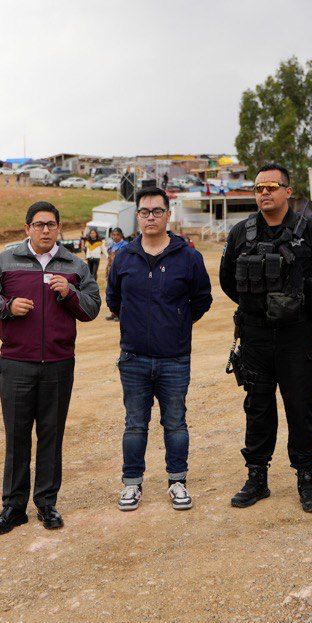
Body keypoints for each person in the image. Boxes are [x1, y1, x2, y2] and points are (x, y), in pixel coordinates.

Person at [0, 201, 101, 535]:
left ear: (59, 228)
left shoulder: (74, 265)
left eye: (51, 224)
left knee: (51, 435)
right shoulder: (5, 260)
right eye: (39, 224)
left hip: (59, 365)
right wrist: (6, 306)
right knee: (17, 437)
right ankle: (13, 507)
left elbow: (91, 309)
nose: (45, 230)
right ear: (27, 228)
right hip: (17, 364)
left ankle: (46, 503)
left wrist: (70, 292)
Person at [220, 164, 312, 512]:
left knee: (300, 407)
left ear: (289, 191)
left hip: (297, 334)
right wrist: (261, 307)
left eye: (272, 186)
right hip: (256, 334)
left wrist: (293, 307)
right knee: (257, 406)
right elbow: (229, 281)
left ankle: (307, 478)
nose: (264, 193)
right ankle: (257, 477)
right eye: (258, 188)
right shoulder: (241, 232)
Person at [106, 187, 213, 511]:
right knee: (135, 424)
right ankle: (132, 484)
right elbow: (114, 298)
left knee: (176, 423)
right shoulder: (124, 256)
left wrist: (177, 322)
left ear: (168, 215)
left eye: (156, 211)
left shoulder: (188, 257)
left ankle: (177, 480)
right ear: (137, 216)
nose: (150, 217)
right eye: (144, 212)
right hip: (134, 357)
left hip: (174, 358)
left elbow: (202, 299)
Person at [104, 227, 127, 321]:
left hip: (121, 270)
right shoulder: (111, 245)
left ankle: (120, 313)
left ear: (121, 235)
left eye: (117, 234)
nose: (115, 236)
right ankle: (113, 312)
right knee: (112, 291)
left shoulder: (125, 245)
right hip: (111, 270)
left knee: (120, 291)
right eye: (113, 235)